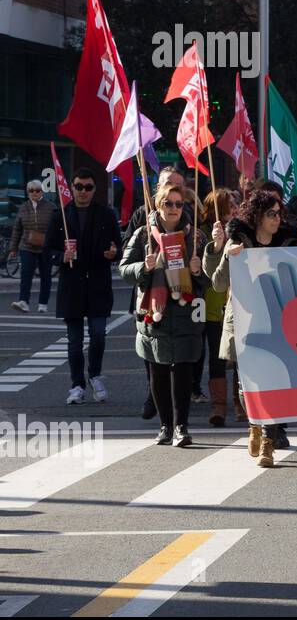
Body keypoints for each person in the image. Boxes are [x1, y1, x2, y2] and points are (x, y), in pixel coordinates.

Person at [204, 189, 297, 467]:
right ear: (257, 216)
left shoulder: (287, 242)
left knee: (273, 380)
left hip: (277, 320)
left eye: (279, 213)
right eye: (271, 214)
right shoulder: (239, 241)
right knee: (247, 383)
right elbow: (218, 284)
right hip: (245, 319)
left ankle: (269, 442)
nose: (277, 219)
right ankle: (254, 423)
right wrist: (228, 256)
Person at [119, 182, 209, 448]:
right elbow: (123, 269)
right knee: (157, 370)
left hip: (185, 311)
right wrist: (142, 268)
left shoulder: (196, 238)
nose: (173, 209)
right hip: (153, 312)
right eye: (168, 203)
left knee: (182, 369)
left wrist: (196, 271)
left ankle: (182, 427)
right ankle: (165, 427)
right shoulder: (143, 235)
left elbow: (212, 280)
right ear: (158, 206)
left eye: (178, 204)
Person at [43, 168, 121, 405]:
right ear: (72, 188)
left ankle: (95, 375)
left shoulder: (106, 214)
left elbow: (118, 245)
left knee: (98, 334)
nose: (83, 192)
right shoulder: (61, 216)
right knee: (74, 341)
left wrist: (113, 253)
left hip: (98, 285)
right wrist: (61, 257)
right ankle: (77, 384)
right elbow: (48, 251)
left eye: (88, 187)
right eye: (79, 187)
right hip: (72, 287)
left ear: (94, 190)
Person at [197, 189, 239, 426]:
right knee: (217, 355)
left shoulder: (241, 230)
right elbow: (208, 272)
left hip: (237, 303)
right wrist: (216, 244)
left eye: (235, 204)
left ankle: (239, 402)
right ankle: (219, 406)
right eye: (230, 204)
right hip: (214, 303)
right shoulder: (204, 232)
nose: (235, 208)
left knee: (238, 356)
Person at [9, 179, 56, 313]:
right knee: (26, 274)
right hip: (27, 246)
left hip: (45, 247)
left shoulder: (51, 207)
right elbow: (17, 229)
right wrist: (13, 248)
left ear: (42, 192)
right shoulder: (23, 207)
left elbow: (57, 227)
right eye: (31, 190)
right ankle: (24, 301)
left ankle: (43, 304)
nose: (34, 193)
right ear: (28, 192)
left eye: (37, 190)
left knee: (46, 275)